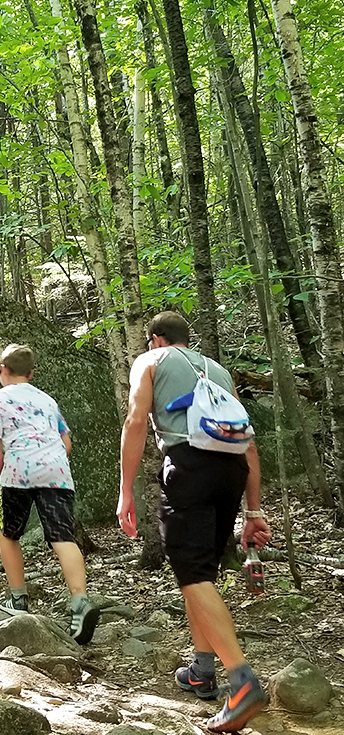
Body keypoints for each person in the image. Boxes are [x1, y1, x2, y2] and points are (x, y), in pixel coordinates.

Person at [117, 312, 271, 734]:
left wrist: (126, 489)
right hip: (231, 471)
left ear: (155, 339)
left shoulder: (150, 362)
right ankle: (202, 670)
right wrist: (253, 512)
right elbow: (249, 445)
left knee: (193, 574)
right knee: (200, 574)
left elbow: (135, 421)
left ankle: (242, 680)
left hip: (189, 468)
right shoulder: (218, 371)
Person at [0, 343, 100, 645]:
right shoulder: (47, 400)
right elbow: (66, 442)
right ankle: (80, 602)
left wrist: (4, 472)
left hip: (17, 470)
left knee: (8, 533)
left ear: (2, 370)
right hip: (57, 472)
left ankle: (18, 599)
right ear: (31, 374)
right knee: (62, 537)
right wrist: (49, 461)